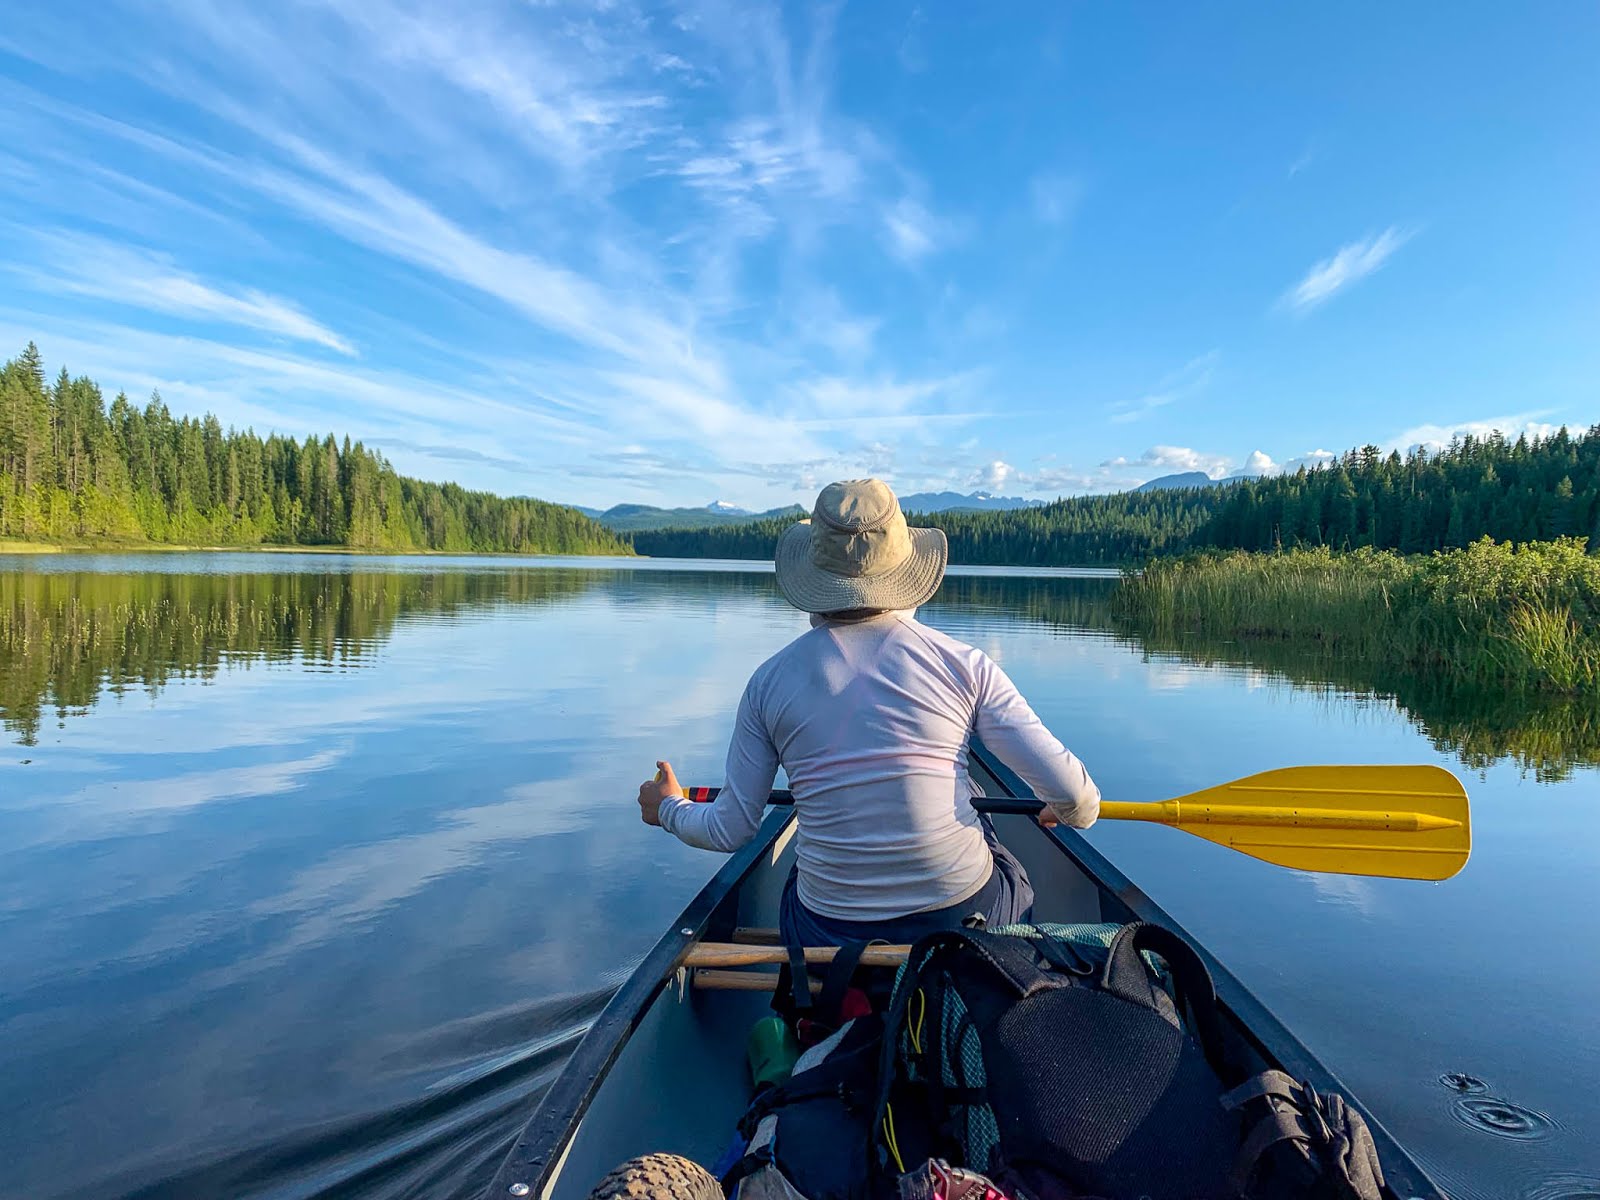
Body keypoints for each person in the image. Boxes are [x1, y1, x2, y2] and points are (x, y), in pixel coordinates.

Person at [637, 478, 1100, 946]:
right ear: (907, 570)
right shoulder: (966, 667)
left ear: (813, 575)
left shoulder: (768, 682)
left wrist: (667, 808)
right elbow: (1080, 803)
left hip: (827, 931)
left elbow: (729, 829)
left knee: (804, 867)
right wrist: (1058, 805)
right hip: (961, 918)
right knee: (994, 839)